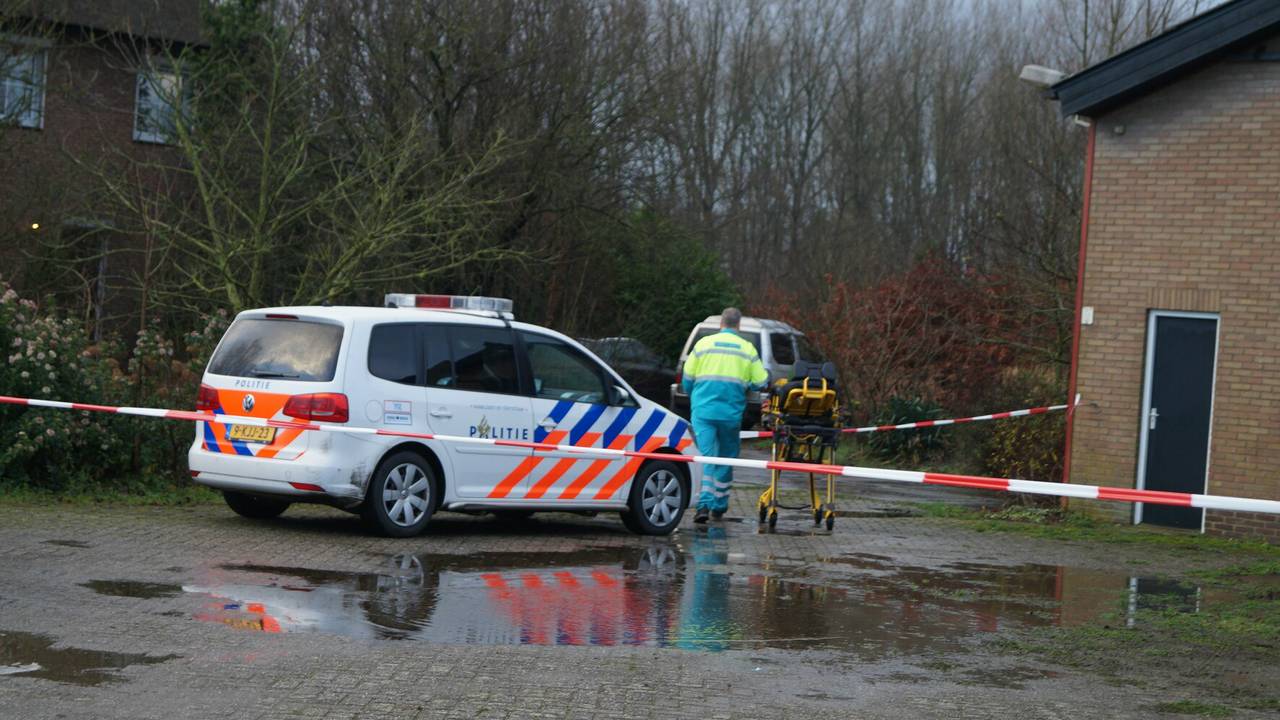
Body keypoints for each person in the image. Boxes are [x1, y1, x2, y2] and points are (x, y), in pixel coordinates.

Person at [681, 307, 767, 523]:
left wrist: (697, 397)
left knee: (707, 456)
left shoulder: (703, 345)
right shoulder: (747, 349)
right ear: (738, 325)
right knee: (727, 458)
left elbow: (687, 379)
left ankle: (703, 506)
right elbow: (761, 381)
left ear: (721, 323)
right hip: (731, 412)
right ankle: (719, 504)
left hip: (703, 411)